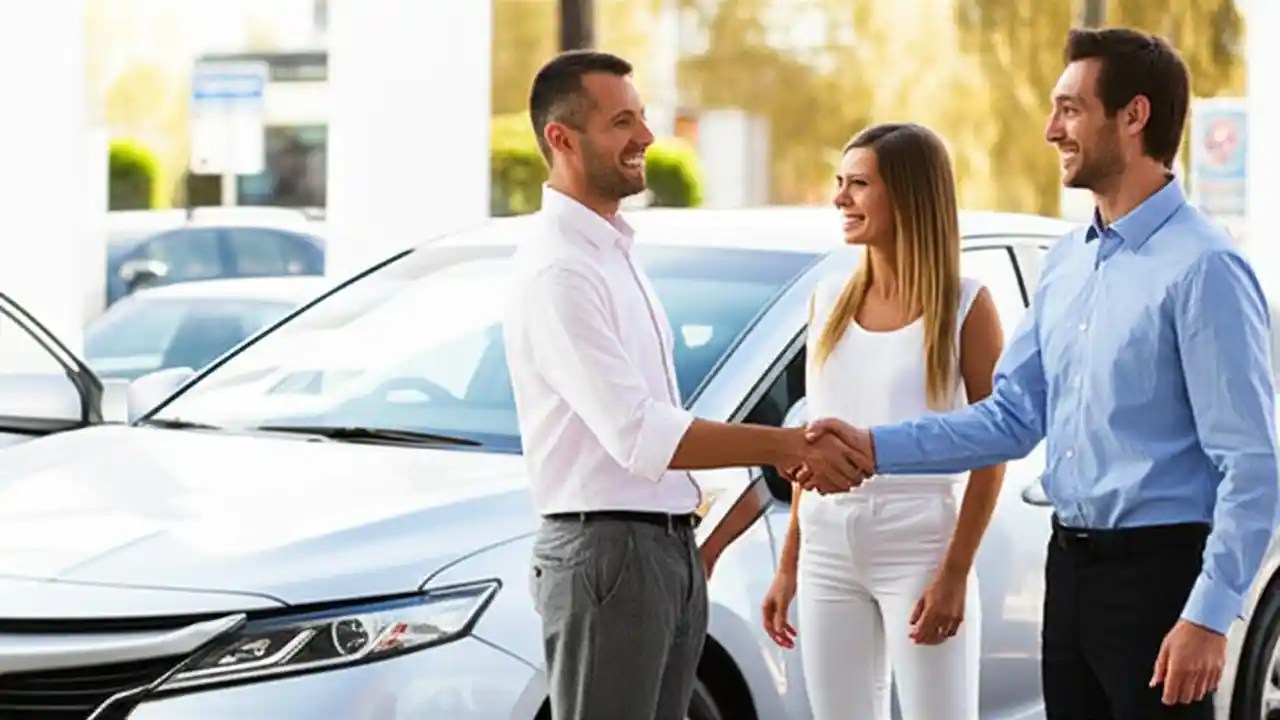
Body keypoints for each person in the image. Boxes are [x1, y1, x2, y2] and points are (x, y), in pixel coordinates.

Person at [799, 27, 1280, 719]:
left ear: (1134, 116)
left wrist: (1208, 614)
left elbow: (1252, 463)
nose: (1052, 129)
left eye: (1071, 109)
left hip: (1159, 579)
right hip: (1070, 571)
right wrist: (872, 448)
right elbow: (1011, 416)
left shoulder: (1205, 267)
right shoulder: (1068, 263)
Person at [502, 50, 866, 720]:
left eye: (641, 117)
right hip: (610, 555)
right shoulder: (561, 271)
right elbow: (640, 433)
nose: (645, 136)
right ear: (561, 138)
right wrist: (787, 446)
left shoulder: (612, 254)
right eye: (622, 122)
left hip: (659, 549)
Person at [758, 123, 1006, 720]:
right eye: (840, 183)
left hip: (921, 545)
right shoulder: (827, 302)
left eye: (859, 184)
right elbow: (816, 442)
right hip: (826, 547)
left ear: (910, 195)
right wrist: (788, 566)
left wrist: (954, 573)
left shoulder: (966, 305)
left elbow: (993, 450)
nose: (840, 198)